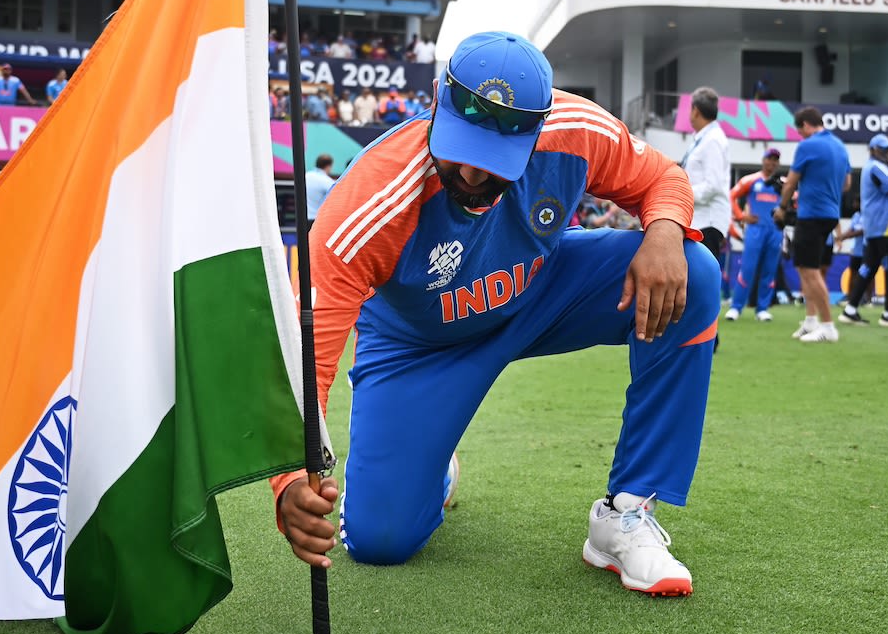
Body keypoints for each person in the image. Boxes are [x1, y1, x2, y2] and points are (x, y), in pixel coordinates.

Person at [274, 31, 717, 597]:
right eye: (463, 149)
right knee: (380, 541)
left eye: (497, 159)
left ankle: (625, 512)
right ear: (435, 99)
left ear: (539, 128)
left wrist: (663, 230)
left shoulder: (577, 129)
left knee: (694, 273)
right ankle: (434, 469)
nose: (475, 176)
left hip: (543, 293)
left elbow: (663, 177)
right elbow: (303, 358)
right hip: (419, 346)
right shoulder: (366, 204)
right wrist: (289, 478)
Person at [772, 107, 851, 343]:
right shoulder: (840, 145)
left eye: (800, 131)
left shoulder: (807, 145)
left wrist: (782, 208)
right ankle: (810, 321)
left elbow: (790, 184)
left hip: (811, 214)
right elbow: (846, 184)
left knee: (808, 270)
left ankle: (828, 326)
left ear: (806, 125)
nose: (801, 136)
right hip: (831, 214)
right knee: (805, 267)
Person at [840, 134, 888, 325]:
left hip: (875, 225)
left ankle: (850, 309)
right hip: (882, 225)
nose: (887, 152)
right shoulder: (877, 167)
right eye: (883, 148)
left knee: (869, 267)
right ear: (873, 149)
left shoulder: (872, 167)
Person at [725, 147, 783, 321]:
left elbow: (795, 201)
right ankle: (736, 308)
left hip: (775, 231)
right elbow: (731, 196)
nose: (772, 163)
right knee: (747, 269)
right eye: (769, 159)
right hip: (755, 230)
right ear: (763, 160)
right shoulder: (751, 180)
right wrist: (741, 216)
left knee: (769, 270)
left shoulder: (782, 184)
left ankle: (762, 309)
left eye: (775, 160)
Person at [681, 86, 731, 271]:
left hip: (707, 221)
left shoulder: (713, 140)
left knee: (702, 278)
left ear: (695, 110)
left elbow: (713, 185)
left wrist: (682, 195)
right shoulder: (704, 138)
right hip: (700, 219)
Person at [303, 153, 335, 232]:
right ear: (328, 166)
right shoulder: (327, 181)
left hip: (303, 219)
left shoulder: (305, 176)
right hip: (317, 221)